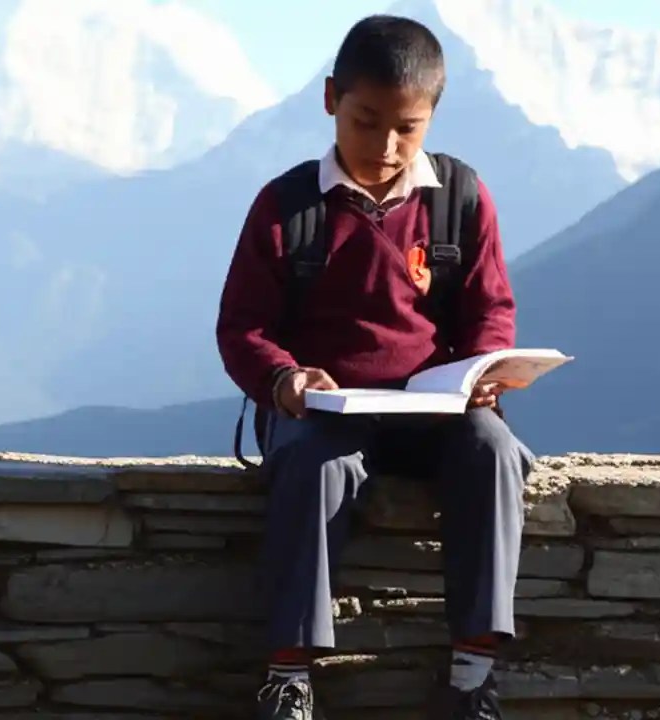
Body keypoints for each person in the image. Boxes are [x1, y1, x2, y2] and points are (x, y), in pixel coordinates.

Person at [215, 13, 534, 720]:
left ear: (432, 117)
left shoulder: (460, 201)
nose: (386, 146)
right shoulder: (288, 206)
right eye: (365, 121)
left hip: (434, 412)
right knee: (313, 468)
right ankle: (289, 678)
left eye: (407, 128)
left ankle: (474, 673)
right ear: (331, 99)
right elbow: (244, 326)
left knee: (495, 453)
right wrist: (282, 379)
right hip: (323, 416)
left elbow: (489, 308)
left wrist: (484, 369)